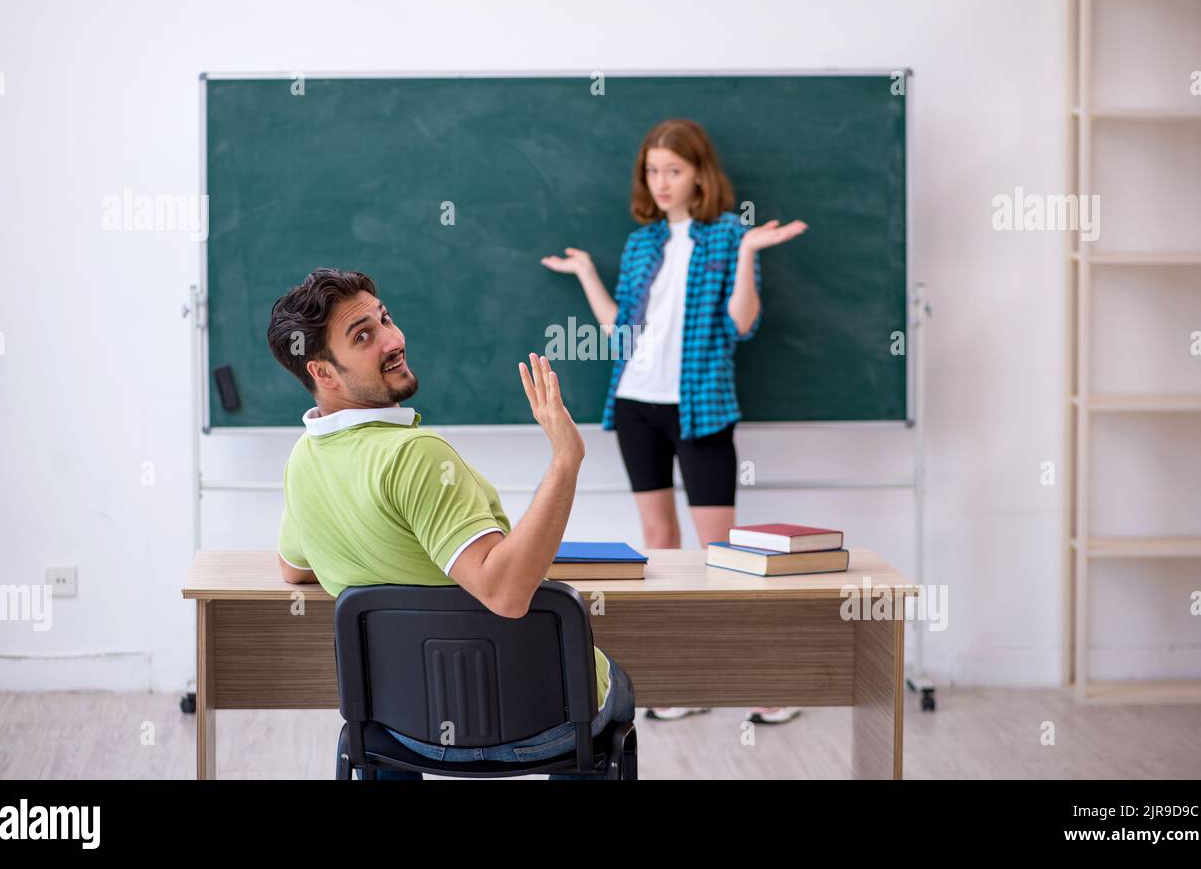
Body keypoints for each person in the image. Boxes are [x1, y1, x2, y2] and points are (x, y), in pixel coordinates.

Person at [267, 267, 634, 779]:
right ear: (323, 373)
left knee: (384, 718)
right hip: (535, 726)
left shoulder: (304, 460)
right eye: (363, 336)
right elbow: (506, 593)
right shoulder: (414, 456)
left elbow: (293, 569)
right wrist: (566, 460)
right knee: (610, 686)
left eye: (385, 318)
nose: (395, 341)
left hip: (400, 729)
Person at [541, 118, 807, 725]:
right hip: (637, 405)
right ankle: (684, 680)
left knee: (721, 552)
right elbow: (621, 331)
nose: (661, 181)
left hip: (703, 406)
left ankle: (761, 682)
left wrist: (745, 253)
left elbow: (741, 324)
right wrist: (587, 271)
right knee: (658, 546)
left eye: (674, 170)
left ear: (698, 174)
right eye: (652, 170)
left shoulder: (726, 237)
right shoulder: (641, 245)